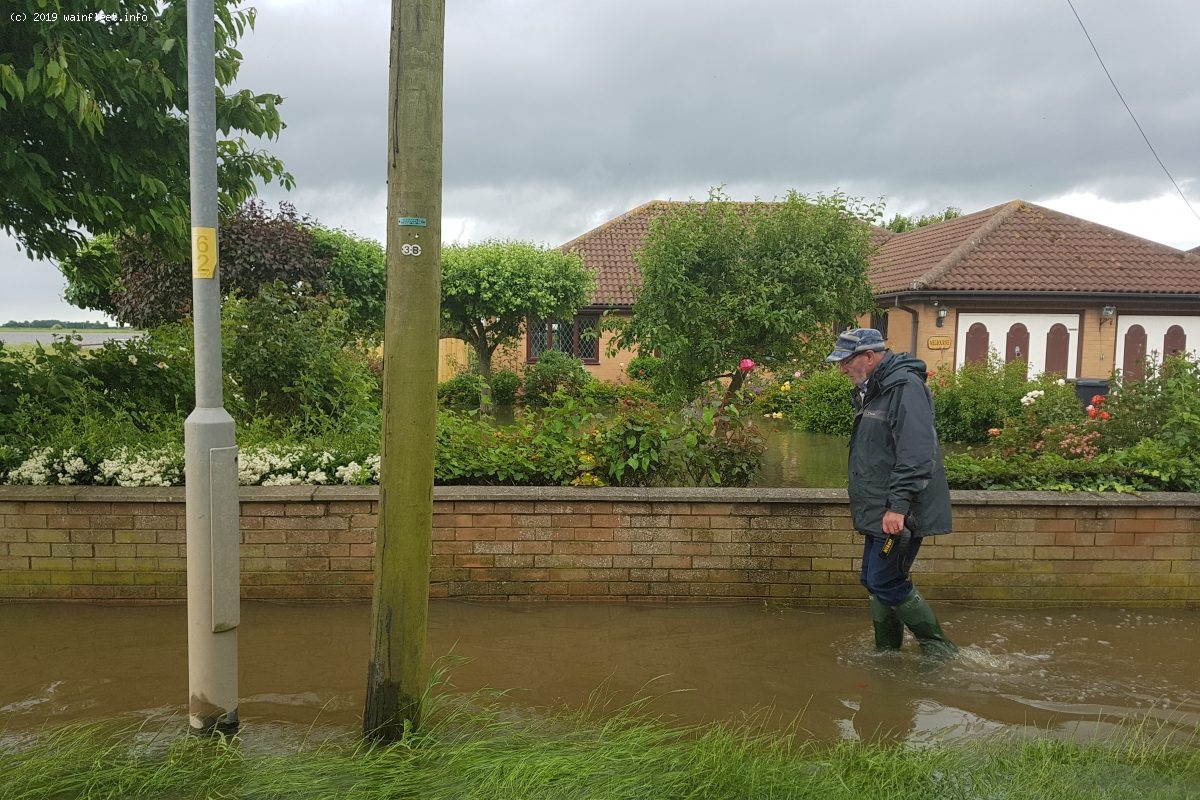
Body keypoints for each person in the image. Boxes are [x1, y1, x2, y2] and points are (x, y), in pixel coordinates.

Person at [825, 328, 957, 658]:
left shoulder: (904, 388)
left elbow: (916, 454)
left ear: (869, 356)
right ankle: (887, 653)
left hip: (899, 512)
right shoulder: (874, 390)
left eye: (846, 361)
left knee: (885, 580)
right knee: (873, 579)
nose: (842, 369)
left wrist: (898, 506)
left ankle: (941, 651)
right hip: (879, 509)